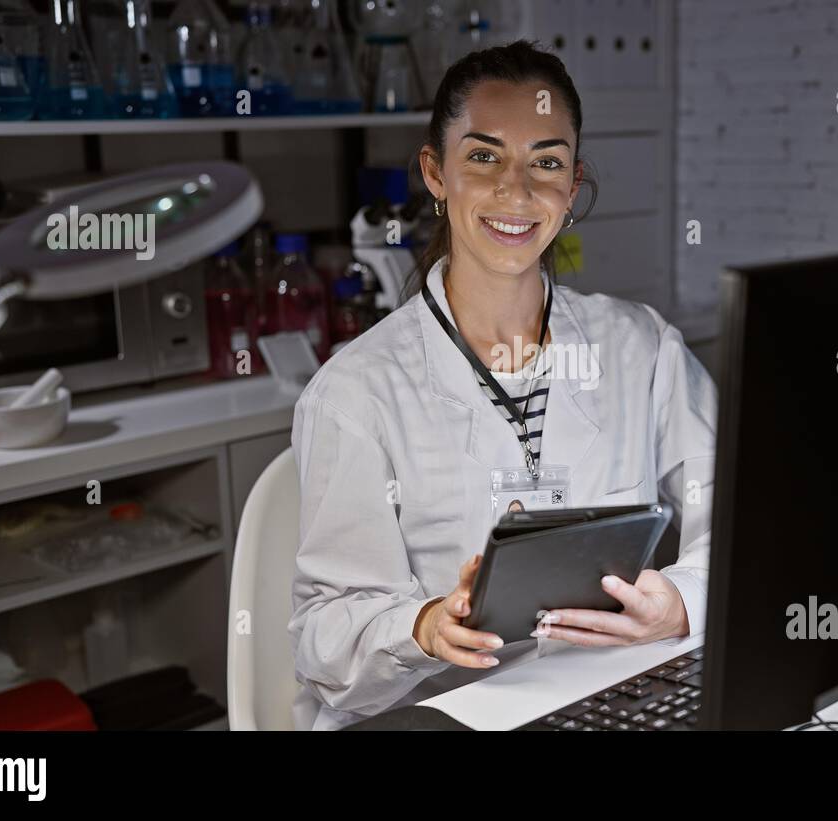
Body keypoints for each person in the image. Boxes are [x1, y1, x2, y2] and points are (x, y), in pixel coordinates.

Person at [288, 39, 716, 730]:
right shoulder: (354, 394)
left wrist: (684, 598)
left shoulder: (642, 350)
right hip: (436, 716)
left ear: (571, 187)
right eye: (483, 156)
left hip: (602, 702)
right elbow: (322, 637)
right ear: (435, 172)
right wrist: (421, 625)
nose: (516, 191)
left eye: (546, 162)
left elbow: (738, 518)